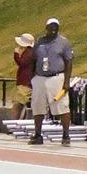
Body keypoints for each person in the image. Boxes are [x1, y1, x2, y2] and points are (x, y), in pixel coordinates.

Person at [30, 16, 75, 147]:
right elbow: (33, 59)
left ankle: (66, 135)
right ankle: (38, 135)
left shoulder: (64, 42)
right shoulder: (40, 42)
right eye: (51, 27)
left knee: (62, 107)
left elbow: (69, 62)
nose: (53, 29)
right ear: (46, 28)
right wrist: (32, 77)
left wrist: (66, 81)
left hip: (56, 77)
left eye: (56, 27)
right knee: (38, 107)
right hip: (40, 78)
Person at [12, 33, 33, 116]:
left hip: (25, 83)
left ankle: (14, 123)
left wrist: (16, 55)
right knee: (25, 104)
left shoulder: (28, 53)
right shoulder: (30, 52)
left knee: (18, 103)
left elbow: (22, 63)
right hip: (28, 82)